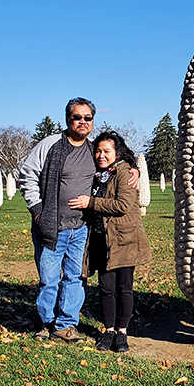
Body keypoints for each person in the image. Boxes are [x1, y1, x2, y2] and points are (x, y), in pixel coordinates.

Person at [18, 97, 138, 342]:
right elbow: (27, 174)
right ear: (68, 119)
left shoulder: (93, 150)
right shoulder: (51, 145)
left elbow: (116, 160)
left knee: (75, 278)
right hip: (52, 226)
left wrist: (134, 167)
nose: (82, 122)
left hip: (81, 228)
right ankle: (45, 323)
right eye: (77, 117)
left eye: (87, 118)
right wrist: (38, 210)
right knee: (49, 280)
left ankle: (65, 325)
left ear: (92, 122)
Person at [68, 131, 151, 353]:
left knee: (124, 288)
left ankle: (122, 332)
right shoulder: (96, 173)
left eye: (106, 151)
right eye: (98, 151)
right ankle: (108, 330)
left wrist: (90, 202)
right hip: (99, 238)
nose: (101, 155)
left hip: (124, 239)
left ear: (117, 152)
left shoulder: (124, 172)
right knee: (106, 289)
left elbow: (122, 205)